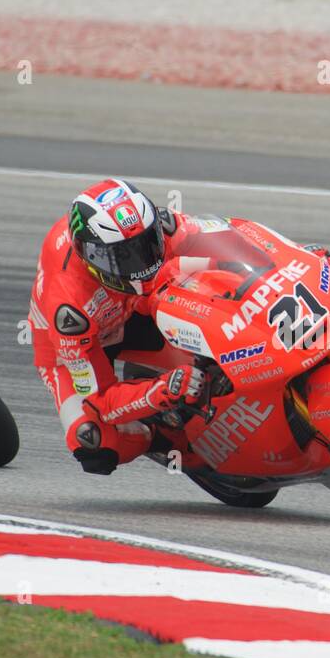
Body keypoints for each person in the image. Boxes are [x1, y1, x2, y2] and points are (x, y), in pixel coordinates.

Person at [28, 177, 215, 476]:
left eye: (145, 244)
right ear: (91, 258)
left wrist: (291, 256)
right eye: (123, 256)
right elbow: (100, 401)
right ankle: (160, 433)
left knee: (212, 267)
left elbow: (225, 234)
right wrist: (161, 392)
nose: (141, 261)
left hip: (137, 303)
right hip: (75, 347)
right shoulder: (69, 309)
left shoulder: (158, 224)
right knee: (93, 442)